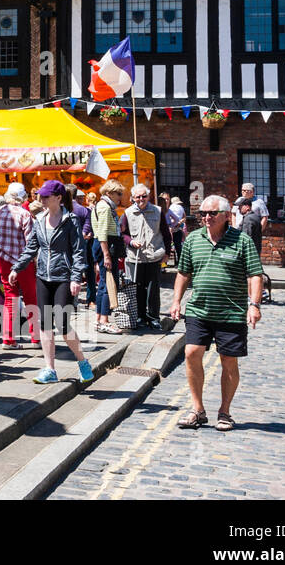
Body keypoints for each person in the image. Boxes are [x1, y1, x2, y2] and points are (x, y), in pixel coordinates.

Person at [171, 195, 263, 432]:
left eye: (212, 213)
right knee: (191, 352)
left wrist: (254, 305)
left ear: (226, 215)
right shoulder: (193, 240)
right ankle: (198, 410)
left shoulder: (242, 241)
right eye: (203, 214)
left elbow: (255, 274)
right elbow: (183, 273)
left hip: (231, 311)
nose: (206, 218)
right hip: (199, 309)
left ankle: (225, 411)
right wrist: (176, 301)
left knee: (228, 361)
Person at [12, 180, 94, 384]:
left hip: (63, 277)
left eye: (46, 196)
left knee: (62, 323)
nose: (42, 200)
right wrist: (17, 267)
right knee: (44, 323)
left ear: (58, 198)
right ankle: (49, 369)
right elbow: (31, 247)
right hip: (43, 276)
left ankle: (82, 361)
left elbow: (78, 251)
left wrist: (76, 277)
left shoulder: (71, 220)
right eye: (41, 196)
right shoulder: (39, 219)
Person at [0, 183, 36, 348]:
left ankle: (8, 339)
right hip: (23, 262)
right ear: (22, 197)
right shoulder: (25, 214)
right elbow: (31, 243)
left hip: (4, 261)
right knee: (30, 299)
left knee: (10, 298)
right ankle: (36, 338)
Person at [122, 184, 167, 330]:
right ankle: (140, 316)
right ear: (133, 198)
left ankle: (154, 317)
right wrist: (131, 241)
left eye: (144, 196)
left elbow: (166, 233)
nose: (141, 199)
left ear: (148, 196)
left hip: (154, 255)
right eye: (138, 197)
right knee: (138, 289)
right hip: (136, 257)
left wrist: (167, 254)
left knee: (153, 289)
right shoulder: (127, 213)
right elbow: (122, 234)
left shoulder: (157, 211)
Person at [91, 181, 125, 333]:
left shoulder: (103, 205)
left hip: (103, 244)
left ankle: (99, 319)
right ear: (109, 193)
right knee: (108, 283)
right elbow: (103, 232)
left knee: (104, 284)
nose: (121, 197)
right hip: (105, 245)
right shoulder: (105, 207)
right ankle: (104, 320)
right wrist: (106, 255)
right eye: (119, 194)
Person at [72, 188, 94, 307]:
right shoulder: (83, 210)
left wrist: (86, 232)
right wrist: (86, 233)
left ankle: (76, 300)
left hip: (77, 243)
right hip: (83, 243)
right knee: (87, 270)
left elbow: (88, 224)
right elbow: (88, 224)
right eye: (80, 198)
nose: (81, 200)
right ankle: (89, 299)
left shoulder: (68, 208)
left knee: (81, 270)